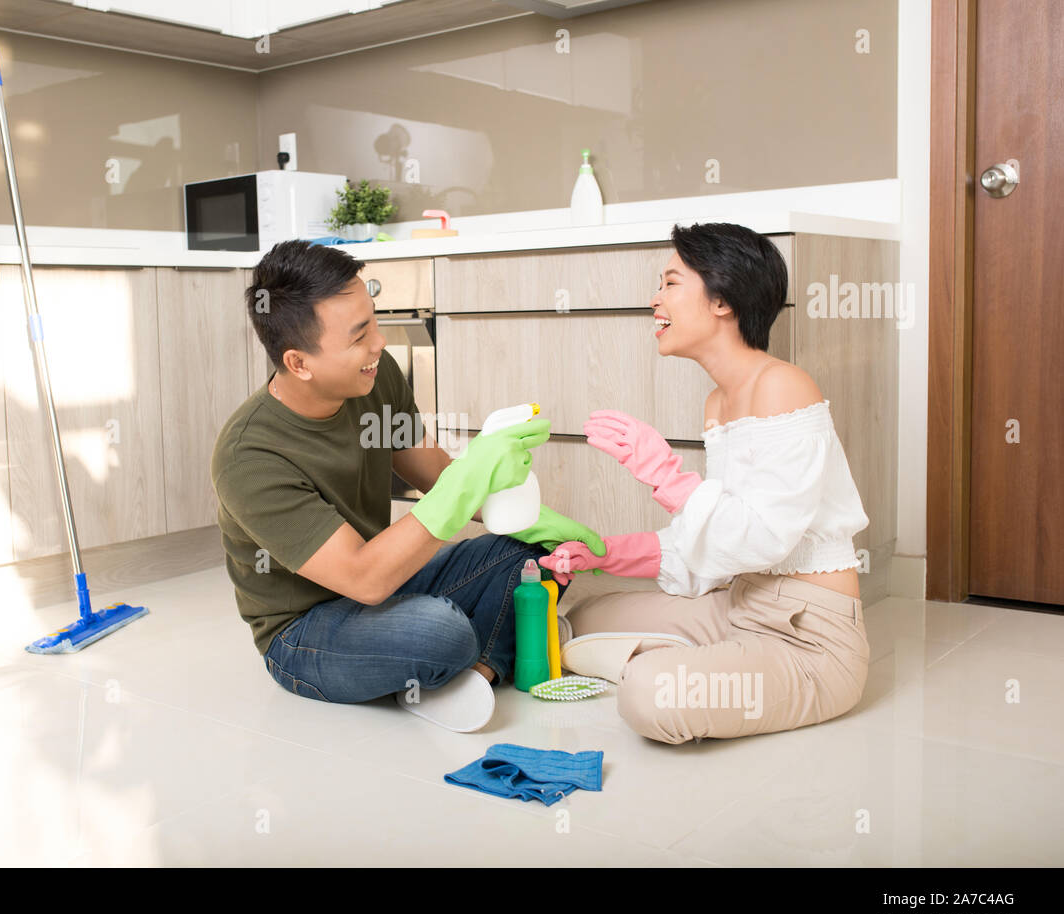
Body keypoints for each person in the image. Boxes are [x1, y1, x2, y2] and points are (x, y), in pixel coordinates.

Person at [211, 239, 604, 732]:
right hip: (305, 632)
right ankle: (470, 653)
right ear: (298, 363)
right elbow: (363, 578)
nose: (378, 343)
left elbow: (436, 476)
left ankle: (474, 675)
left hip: (384, 581)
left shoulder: (376, 379)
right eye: (358, 337)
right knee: (440, 632)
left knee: (530, 555)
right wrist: (468, 479)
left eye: (374, 321)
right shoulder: (249, 456)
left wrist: (523, 513)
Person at [541, 222, 871, 745]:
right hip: (738, 604)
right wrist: (604, 554)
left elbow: (763, 540)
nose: (655, 299)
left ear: (722, 299)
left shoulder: (784, 385)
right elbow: (719, 540)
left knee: (650, 695)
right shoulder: (718, 402)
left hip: (809, 641)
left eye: (670, 283)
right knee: (582, 612)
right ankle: (704, 663)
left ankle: (678, 668)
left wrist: (663, 473)